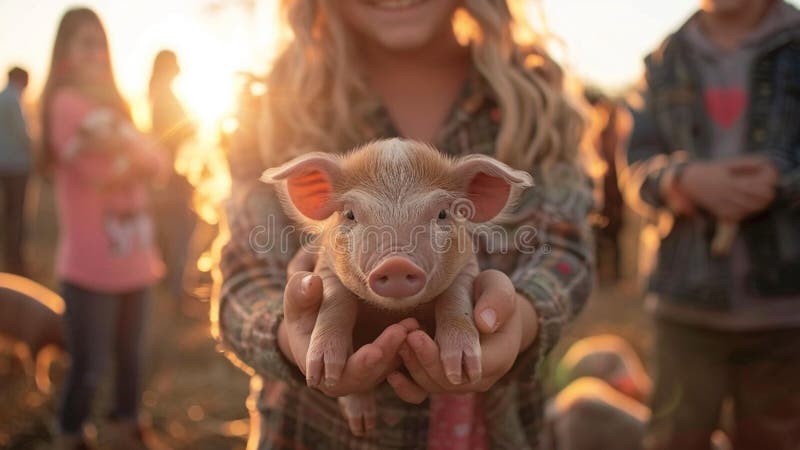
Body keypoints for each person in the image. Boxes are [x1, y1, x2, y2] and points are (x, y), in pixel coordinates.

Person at [214, 1, 594, 448]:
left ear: (481, 193)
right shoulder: (274, 107)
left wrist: (521, 320)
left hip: (494, 425)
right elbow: (244, 276)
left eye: (439, 213)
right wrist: (291, 336)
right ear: (312, 191)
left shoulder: (532, 100)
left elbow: (563, 251)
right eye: (351, 214)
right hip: (315, 429)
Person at [623, 0, 800, 448]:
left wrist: (782, 180)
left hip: (785, 311)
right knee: (674, 436)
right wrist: (681, 179)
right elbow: (636, 169)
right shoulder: (663, 59)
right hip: (685, 306)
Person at [40, 8, 166, 450]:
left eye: (99, 42)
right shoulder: (65, 104)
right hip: (89, 263)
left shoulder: (116, 105)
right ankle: (70, 433)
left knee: (132, 356)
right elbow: (101, 171)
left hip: (135, 255)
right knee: (89, 363)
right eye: (83, 43)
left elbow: (155, 163)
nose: (94, 52)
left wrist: (125, 147)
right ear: (65, 53)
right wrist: (128, 150)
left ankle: (126, 423)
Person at [148, 49, 196, 301]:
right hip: (174, 176)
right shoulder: (164, 98)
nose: (179, 67)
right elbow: (170, 136)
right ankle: (175, 289)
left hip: (168, 177)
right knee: (179, 230)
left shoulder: (159, 95)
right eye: (175, 63)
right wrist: (190, 129)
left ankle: (171, 285)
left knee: (170, 231)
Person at [0, 67, 32, 275]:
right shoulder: (14, 101)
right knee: (17, 214)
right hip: (17, 166)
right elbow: (23, 134)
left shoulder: (2, 97)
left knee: (6, 212)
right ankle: (15, 261)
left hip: (2, 164)